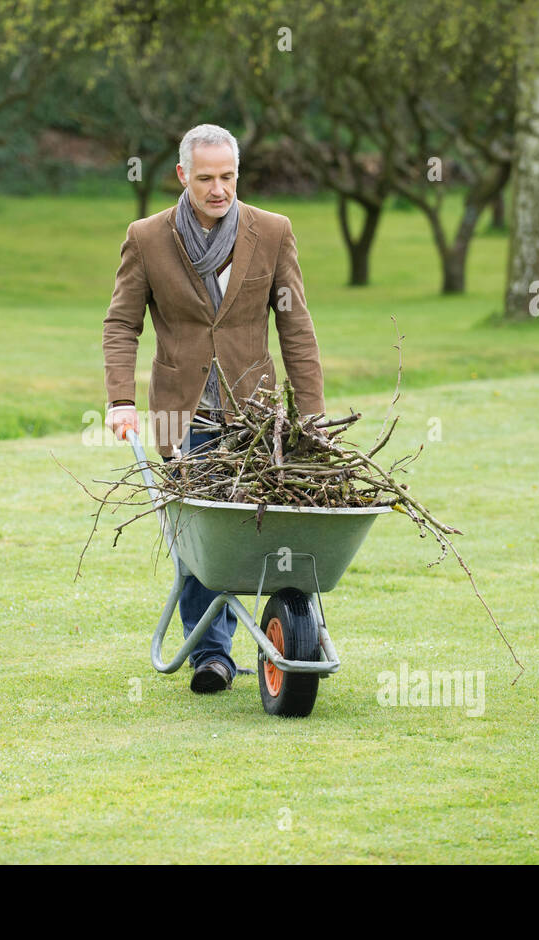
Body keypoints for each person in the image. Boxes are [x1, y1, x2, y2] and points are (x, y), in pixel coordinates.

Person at [101, 123, 327, 694]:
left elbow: (295, 325)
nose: (219, 189)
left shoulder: (272, 233)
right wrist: (121, 401)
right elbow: (122, 324)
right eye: (206, 178)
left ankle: (286, 626)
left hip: (256, 416)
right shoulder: (148, 238)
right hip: (184, 413)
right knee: (202, 538)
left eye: (227, 176)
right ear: (183, 176)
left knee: (259, 530)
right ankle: (211, 654)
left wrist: (313, 412)